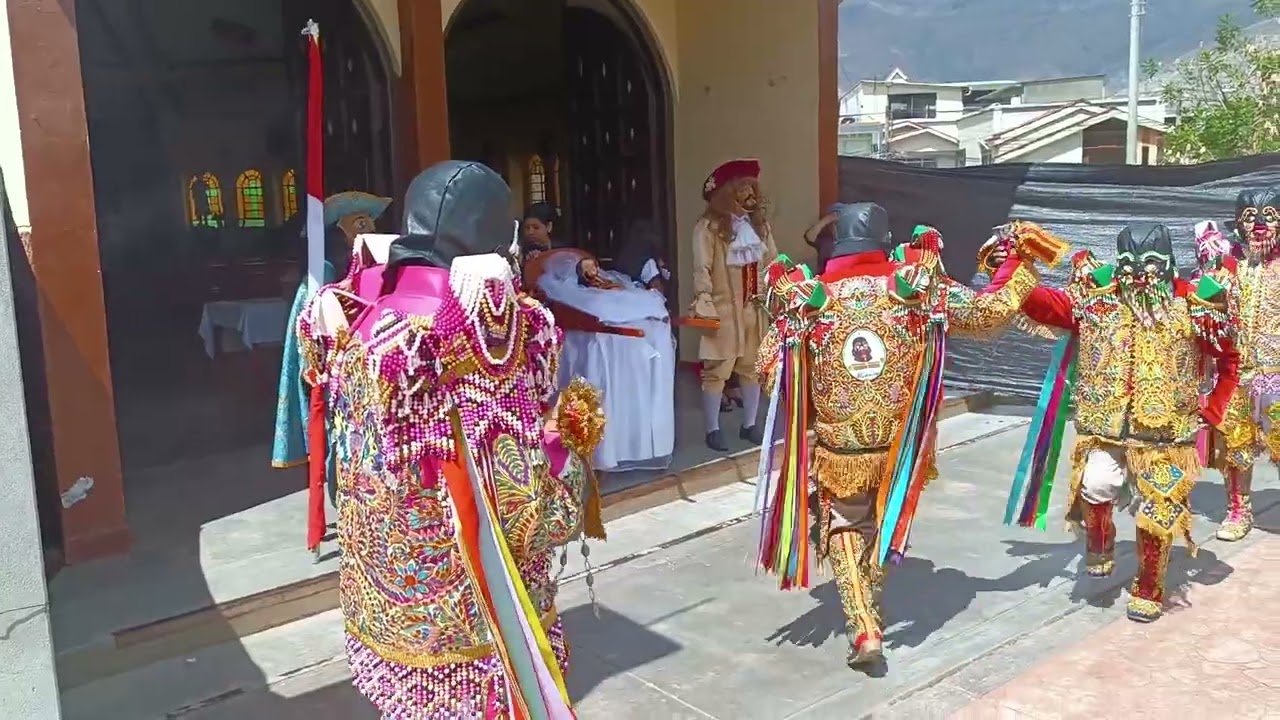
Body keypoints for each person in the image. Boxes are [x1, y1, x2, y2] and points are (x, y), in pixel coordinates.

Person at [297, 161, 603, 718]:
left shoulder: (353, 307)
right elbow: (522, 510)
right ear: (499, 235)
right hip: (468, 611)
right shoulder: (484, 327)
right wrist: (570, 446)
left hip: (382, 600)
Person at [757, 203, 1058, 669]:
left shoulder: (807, 295)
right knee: (883, 519)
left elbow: (768, 370)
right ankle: (866, 614)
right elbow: (987, 314)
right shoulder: (918, 287)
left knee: (844, 524)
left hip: (842, 445)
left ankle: (864, 627)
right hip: (903, 439)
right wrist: (1016, 260)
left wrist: (816, 389)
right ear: (886, 238)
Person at [1015, 222, 1240, 623]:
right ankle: (1100, 539)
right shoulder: (1096, 299)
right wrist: (1014, 263)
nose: (1140, 273)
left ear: (1170, 263)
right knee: (1095, 486)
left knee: (1159, 513)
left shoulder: (1195, 304)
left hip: (1167, 436)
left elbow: (1229, 359)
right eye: (1130, 264)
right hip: (1106, 426)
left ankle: (1150, 586)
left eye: (1151, 263)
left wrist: (1213, 409)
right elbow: (1043, 305)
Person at [272, 190, 391, 553]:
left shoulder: (386, 266)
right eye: (356, 227)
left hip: (380, 373)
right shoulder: (323, 273)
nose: (364, 232)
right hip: (340, 375)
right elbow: (311, 328)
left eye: (368, 224)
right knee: (343, 449)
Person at [690, 158, 778, 451]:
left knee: (753, 368)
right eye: (743, 190)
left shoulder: (759, 228)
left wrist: (779, 292)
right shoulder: (708, 229)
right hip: (724, 311)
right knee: (718, 370)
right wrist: (703, 302)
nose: (750, 197)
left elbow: (772, 263)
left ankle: (750, 425)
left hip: (755, 310)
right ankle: (712, 430)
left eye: (752, 190)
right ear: (728, 193)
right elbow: (701, 268)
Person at [1210, 187, 1280, 542]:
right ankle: (1238, 510)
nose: (1260, 225)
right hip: (1237, 375)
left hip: (1278, 375)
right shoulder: (1227, 267)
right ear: (1238, 222)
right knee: (1235, 446)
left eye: (1269, 215)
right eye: (1251, 217)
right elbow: (1204, 309)